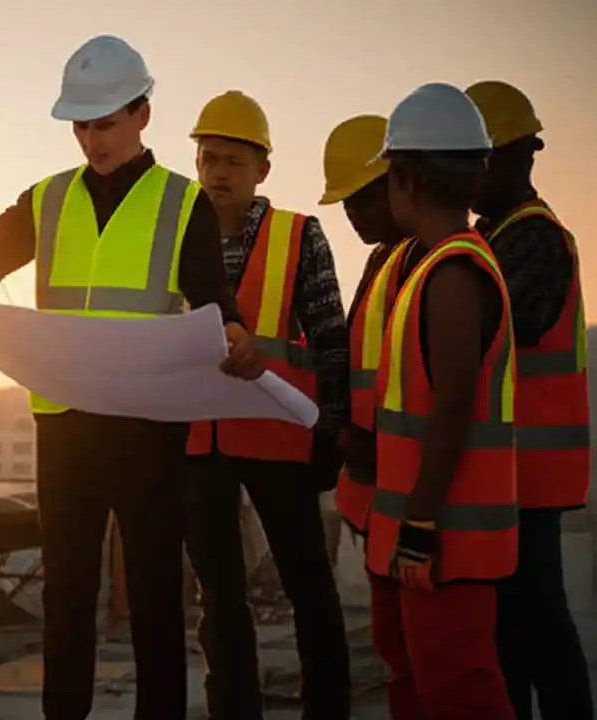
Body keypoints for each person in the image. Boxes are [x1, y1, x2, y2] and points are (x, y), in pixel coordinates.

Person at [0, 35, 262, 719]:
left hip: (148, 428)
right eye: (82, 126)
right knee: (68, 596)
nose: (92, 139)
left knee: (152, 593)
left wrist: (232, 333)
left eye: (105, 123)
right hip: (66, 424)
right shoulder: (49, 199)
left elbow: (212, 303)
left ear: (142, 114)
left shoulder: (182, 203)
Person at [182, 90, 351, 720]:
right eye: (208, 158)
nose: (218, 172)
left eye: (233, 160)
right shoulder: (177, 238)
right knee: (218, 602)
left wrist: (331, 431)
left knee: (309, 590)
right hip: (200, 444)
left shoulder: (299, 237)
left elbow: (331, 342)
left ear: (262, 170)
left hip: (280, 440)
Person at [367, 81, 518, 720]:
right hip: (424, 541)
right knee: (423, 689)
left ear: (406, 181)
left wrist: (421, 526)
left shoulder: (453, 273)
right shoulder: (429, 265)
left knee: (461, 695)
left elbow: (454, 403)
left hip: (444, 545)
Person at [467, 79, 594, 720]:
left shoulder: (534, 239)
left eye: (471, 158)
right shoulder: (495, 236)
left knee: (540, 632)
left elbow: (490, 336)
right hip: (507, 473)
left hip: (531, 476)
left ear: (511, 158)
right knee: (510, 639)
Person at [319, 114, 411, 541]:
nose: (352, 213)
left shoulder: (423, 261)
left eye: (362, 198)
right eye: (345, 202)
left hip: (402, 481)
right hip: (374, 485)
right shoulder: (384, 258)